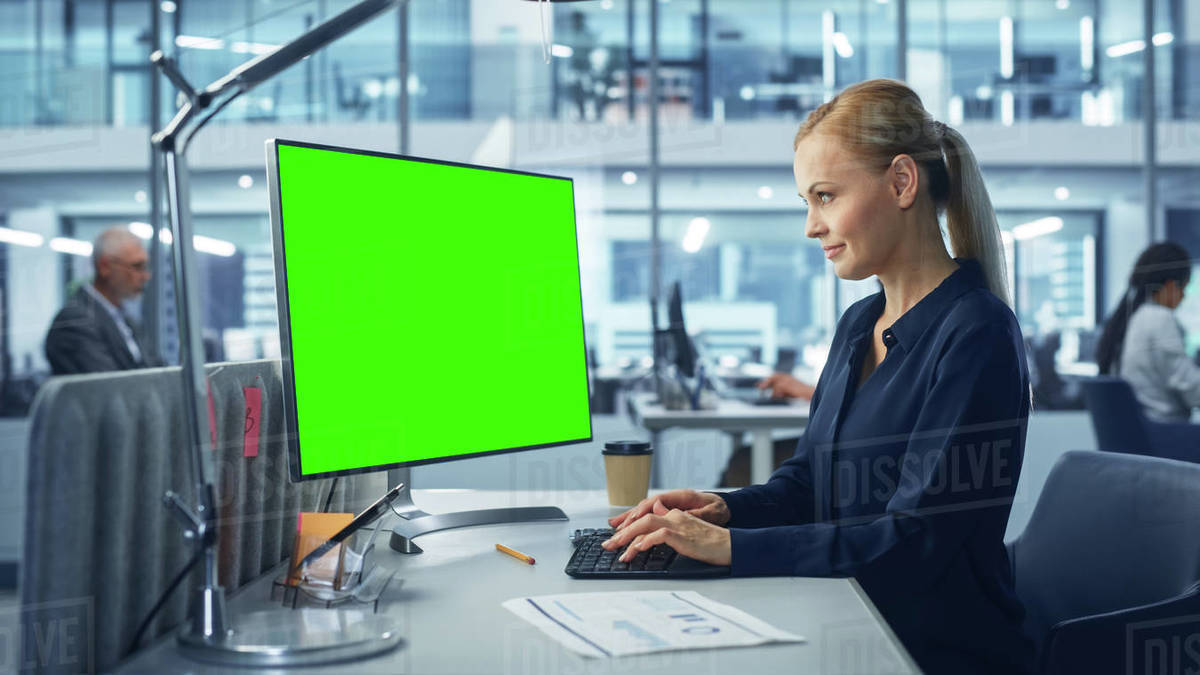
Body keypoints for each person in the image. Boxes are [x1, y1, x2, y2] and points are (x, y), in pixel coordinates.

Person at [602, 79, 1034, 675]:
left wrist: (730, 550)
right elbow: (810, 486)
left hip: (930, 649)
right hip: (845, 613)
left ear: (902, 182)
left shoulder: (977, 333)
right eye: (808, 201)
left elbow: (914, 541)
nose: (811, 225)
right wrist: (722, 511)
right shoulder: (860, 323)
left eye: (825, 196)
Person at [1095, 242, 1200, 422]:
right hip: (1166, 434)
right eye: (1183, 287)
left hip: (1140, 434)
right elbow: (1192, 390)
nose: (1183, 297)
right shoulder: (1158, 319)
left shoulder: (1128, 319)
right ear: (1169, 285)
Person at [45, 226, 157, 375]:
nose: (145, 276)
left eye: (146, 267)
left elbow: (154, 367)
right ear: (105, 267)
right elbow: (107, 387)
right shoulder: (75, 321)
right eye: (137, 267)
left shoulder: (125, 319)